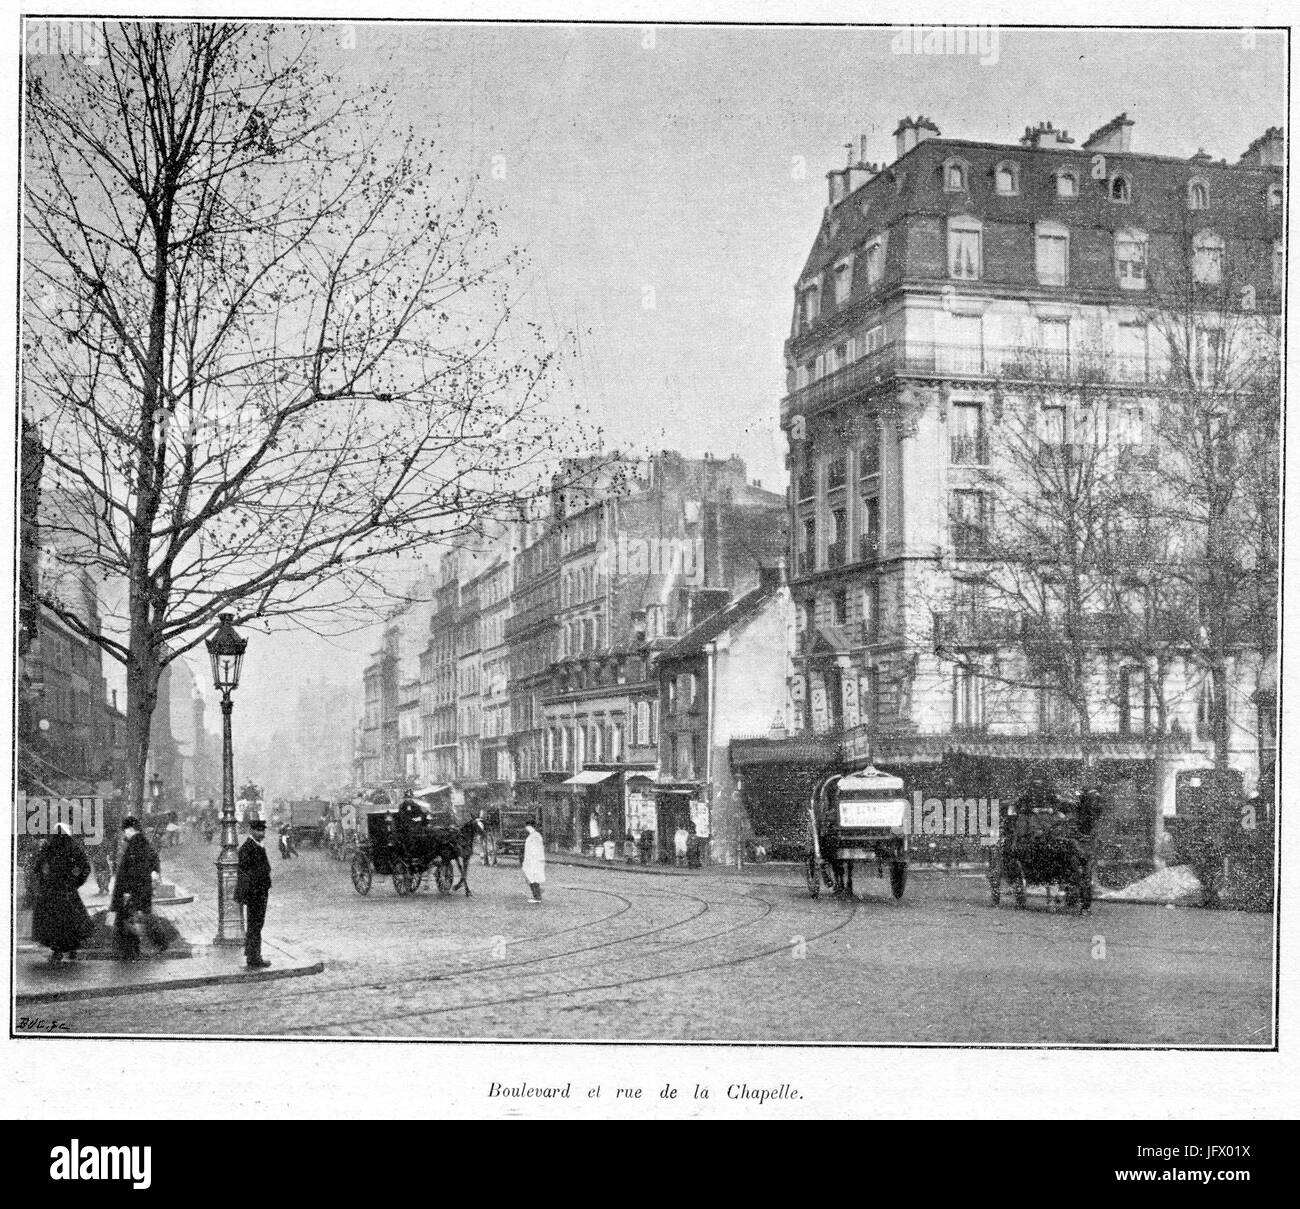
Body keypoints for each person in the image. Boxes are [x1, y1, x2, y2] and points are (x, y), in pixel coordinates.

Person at [30, 824, 94, 965]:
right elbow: (85, 867)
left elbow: (38, 868)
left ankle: (58, 951)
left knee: (54, 922)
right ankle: (71, 949)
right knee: (71, 921)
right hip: (66, 891)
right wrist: (74, 881)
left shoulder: (49, 846)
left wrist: (44, 881)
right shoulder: (73, 846)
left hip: (51, 891)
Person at [110, 815, 162, 961]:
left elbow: (132, 871)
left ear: (131, 829)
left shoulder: (135, 844)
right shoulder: (142, 843)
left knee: (129, 922)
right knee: (134, 921)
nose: (124, 833)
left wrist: (127, 892)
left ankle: (132, 952)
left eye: (125, 830)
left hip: (132, 892)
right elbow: (154, 862)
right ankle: (132, 952)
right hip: (139, 891)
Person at [235, 818, 273, 969]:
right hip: (254, 894)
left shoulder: (257, 845)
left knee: (257, 925)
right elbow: (246, 872)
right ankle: (254, 957)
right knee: (254, 925)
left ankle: (254, 955)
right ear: (251, 831)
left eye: (263, 830)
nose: (261, 833)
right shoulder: (247, 848)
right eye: (259, 830)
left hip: (260, 892)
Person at [521, 818, 545, 903]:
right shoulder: (533, 835)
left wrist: (532, 860)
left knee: (533, 877)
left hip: (534, 860)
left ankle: (537, 896)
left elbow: (535, 850)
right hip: (531, 860)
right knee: (529, 877)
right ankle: (537, 893)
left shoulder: (535, 836)